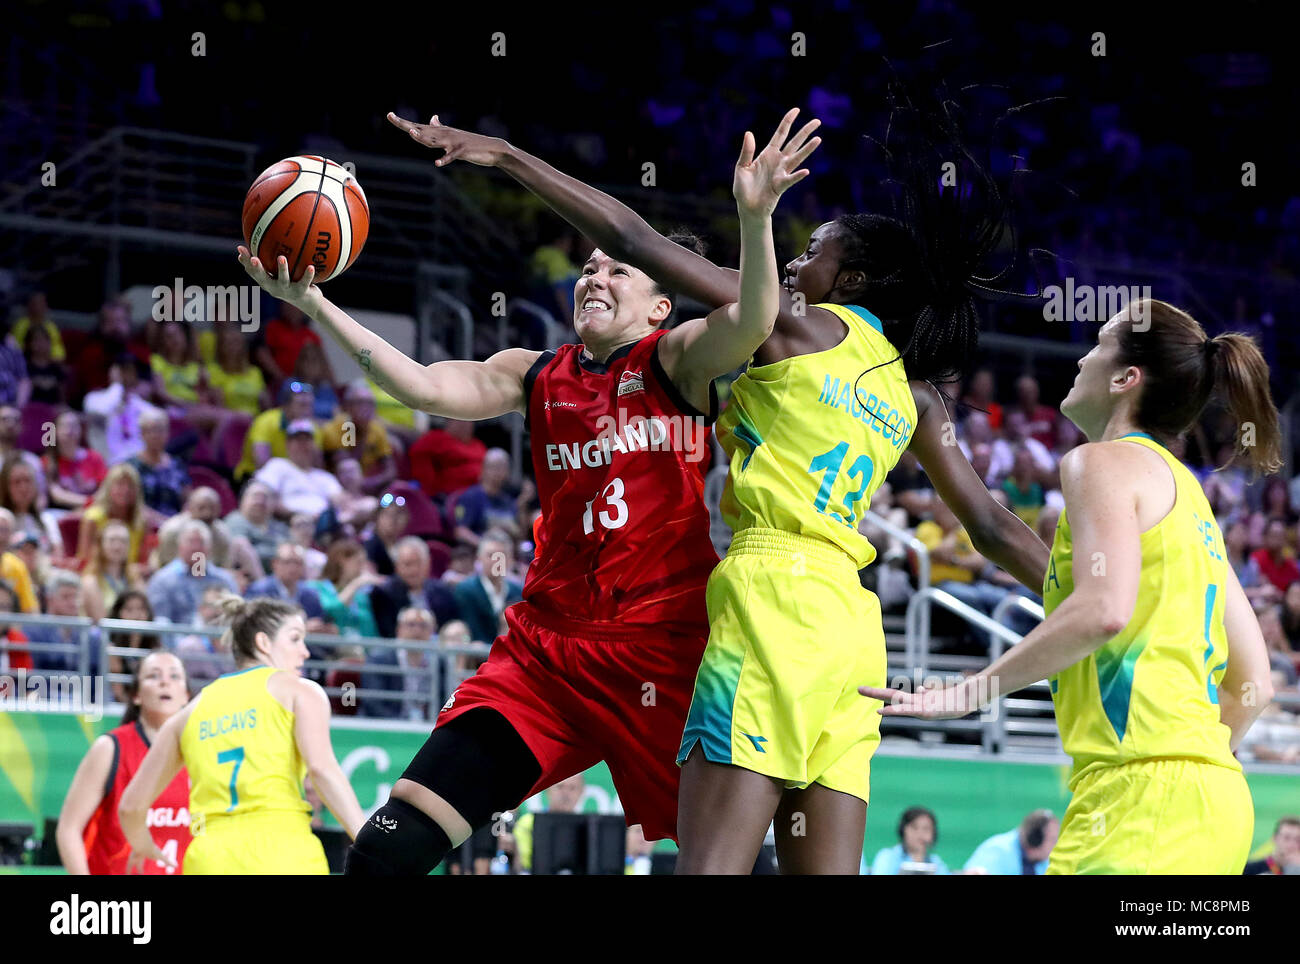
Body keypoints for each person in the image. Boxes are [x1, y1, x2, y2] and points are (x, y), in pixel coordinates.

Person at [240, 110, 819, 876]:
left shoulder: (676, 362)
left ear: (658, 307)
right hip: (544, 656)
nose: (594, 277)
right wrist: (314, 304)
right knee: (384, 852)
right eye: (588, 268)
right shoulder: (533, 372)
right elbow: (419, 385)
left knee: (738, 865)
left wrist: (755, 220)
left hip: (662, 655)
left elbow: (751, 320)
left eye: (618, 270)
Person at [867, 300, 1280, 874]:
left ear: (1124, 378)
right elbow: (1255, 681)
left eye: (1098, 344)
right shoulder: (1192, 502)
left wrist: (970, 692)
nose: (1082, 358)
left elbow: (1103, 611)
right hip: (1215, 801)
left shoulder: (1100, 462)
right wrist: (1192, 764)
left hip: (1135, 799)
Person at [119, 596, 364, 873]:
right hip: (282, 851)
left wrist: (142, 846)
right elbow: (322, 770)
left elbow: (130, 807)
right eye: (295, 639)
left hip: (209, 857)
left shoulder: (187, 714)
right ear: (263, 643)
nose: (305, 652)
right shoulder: (300, 691)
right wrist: (369, 840)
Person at [57, 651, 192, 874]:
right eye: (153, 676)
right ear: (137, 695)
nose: (165, 682)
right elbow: (68, 830)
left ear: (186, 695)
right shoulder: (110, 748)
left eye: (175, 676)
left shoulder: (199, 749)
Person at [145, 520, 238, 625]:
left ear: (209, 548)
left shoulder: (225, 580)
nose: (196, 548)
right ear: (180, 547)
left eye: (201, 542)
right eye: (191, 542)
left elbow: (235, 617)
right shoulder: (162, 580)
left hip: (217, 638)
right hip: (177, 639)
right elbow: (160, 620)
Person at [252, 419, 343, 520]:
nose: (303, 445)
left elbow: (340, 501)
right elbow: (266, 496)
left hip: (325, 525)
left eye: (307, 440)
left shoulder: (325, 477)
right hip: (288, 523)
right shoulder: (277, 465)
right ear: (288, 444)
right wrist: (302, 515)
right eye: (298, 440)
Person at [453, 530, 524, 644]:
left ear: (511, 559)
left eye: (502, 555)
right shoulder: (465, 590)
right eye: (491, 555)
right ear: (479, 558)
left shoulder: (519, 592)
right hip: (474, 657)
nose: (497, 561)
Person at [128, 409, 192, 521]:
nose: (155, 435)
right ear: (142, 434)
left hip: (177, 524)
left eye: (160, 430)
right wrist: (163, 522)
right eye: (151, 430)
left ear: (167, 433)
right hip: (145, 524)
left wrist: (183, 518)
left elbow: (188, 498)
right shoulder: (131, 466)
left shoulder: (176, 464)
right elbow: (130, 503)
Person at [81, 520, 145, 623]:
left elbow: (144, 613)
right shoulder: (91, 582)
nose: (117, 546)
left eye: (123, 541)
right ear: (101, 545)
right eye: (112, 540)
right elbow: (102, 622)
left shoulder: (135, 578)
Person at [963, 810, 1059, 875]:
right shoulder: (996, 852)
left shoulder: (1044, 863)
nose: (1057, 844)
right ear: (1035, 840)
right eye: (1053, 839)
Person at [866, 806, 949, 875]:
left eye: (926, 829)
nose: (920, 834)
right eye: (914, 828)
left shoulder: (935, 861)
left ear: (933, 834)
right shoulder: (888, 856)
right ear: (903, 830)